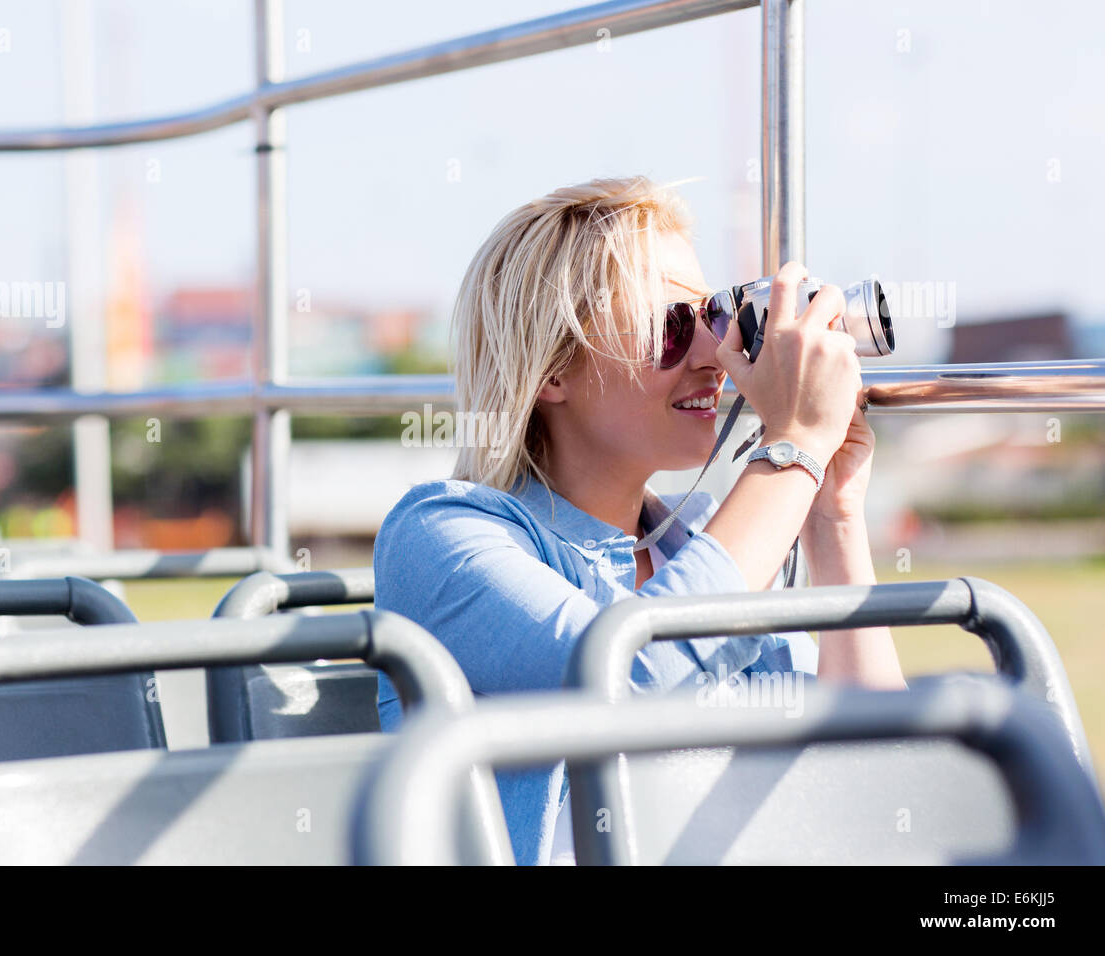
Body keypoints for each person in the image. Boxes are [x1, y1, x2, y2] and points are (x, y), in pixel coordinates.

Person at [373, 175, 905, 866]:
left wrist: (829, 510)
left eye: (713, 319)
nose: (713, 356)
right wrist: (794, 443)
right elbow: (629, 684)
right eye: (671, 326)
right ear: (553, 369)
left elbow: (885, 764)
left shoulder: (712, 542)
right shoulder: (438, 536)